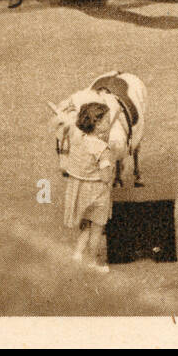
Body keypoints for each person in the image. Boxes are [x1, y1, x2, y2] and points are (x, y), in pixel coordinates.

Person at [59, 101, 118, 274]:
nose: (109, 123)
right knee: (97, 228)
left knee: (86, 225)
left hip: (79, 191)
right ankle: (92, 262)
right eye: (106, 121)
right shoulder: (102, 149)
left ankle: (77, 255)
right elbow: (106, 177)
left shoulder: (79, 141)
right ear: (97, 124)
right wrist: (110, 166)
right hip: (97, 194)